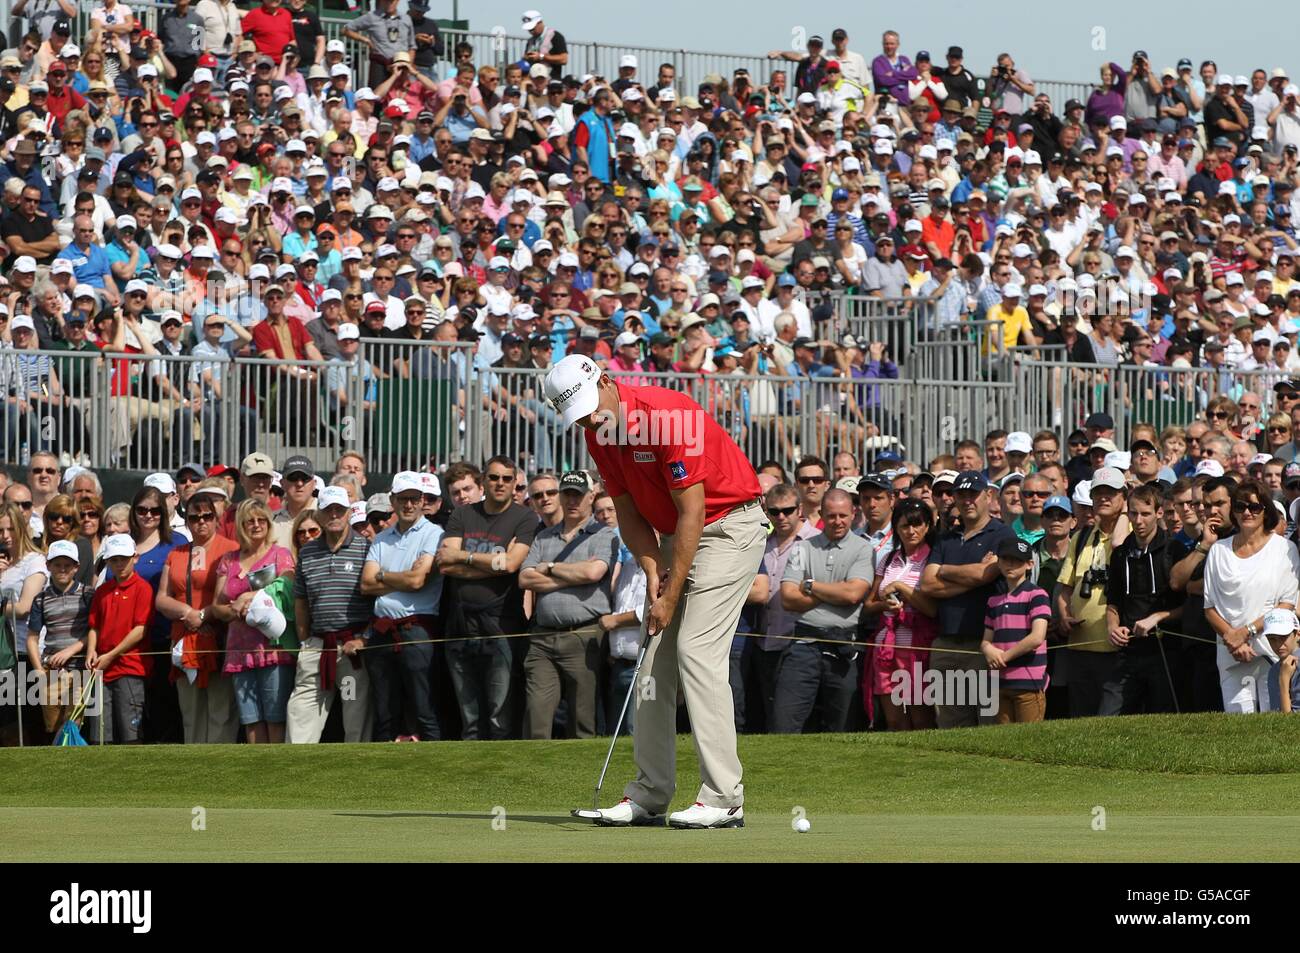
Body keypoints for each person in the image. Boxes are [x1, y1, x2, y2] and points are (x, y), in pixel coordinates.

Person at [546, 353, 767, 829]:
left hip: (729, 528)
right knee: (650, 665)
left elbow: (694, 511)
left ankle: (724, 797)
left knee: (696, 650)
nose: (589, 419)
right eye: (578, 414)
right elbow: (627, 511)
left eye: (589, 406)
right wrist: (651, 571)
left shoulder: (669, 415)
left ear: (606, 380)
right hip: (675, 538)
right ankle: (649, 795)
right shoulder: (596, 432)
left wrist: (670, 591)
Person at [435, 456, 535, 740]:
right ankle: (469, 777)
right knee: (470, 717)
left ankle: (499, 775)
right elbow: (445, 565)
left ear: (515, 482)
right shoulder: (462, 515)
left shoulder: (524, 517)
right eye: (493, 478)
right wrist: (494, 563)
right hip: (460, 624)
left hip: (502, 624)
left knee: (499, 714)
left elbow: (512, 565)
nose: (500, 483)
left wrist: (465, 557)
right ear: (484, 482)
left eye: (506, 478)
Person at [773, 488, 874, 733]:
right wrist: (834, 592)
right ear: (822, 514)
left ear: (853, 514)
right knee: (783, 722)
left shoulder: (864, 549)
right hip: (804, 643)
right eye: (831, 516)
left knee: (843, 726)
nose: (837, 521)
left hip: (844, 645)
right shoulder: (803, 548)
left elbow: (853, 595)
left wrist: (810, 585)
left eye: (842, 515)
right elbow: (787, 598)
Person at [919, 470, 1015, 727]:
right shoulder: (945, 539)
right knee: (950, 725)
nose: (967, 500)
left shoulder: (1002, 534)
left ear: (988, 495)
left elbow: (987, 574)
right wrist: (974, 577)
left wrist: (946, 570)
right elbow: (927, 584)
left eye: (973, 494)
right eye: (961, 494)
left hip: (984, 645)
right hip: (946, 644)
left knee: (988, 723)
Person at [1204, 478, 1300, 713]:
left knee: (1274, 718)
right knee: (1237, 721)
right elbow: (1210, 606)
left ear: (1265, 510)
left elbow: (1286, 603)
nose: (1247, 512)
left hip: (1273, 650)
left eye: (1254, 507)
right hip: (1231, 652)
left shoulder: (1284, 549)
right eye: (1240, 507)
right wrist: (1232, 638)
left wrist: (1245, 632)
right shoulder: (1218, 550)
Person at [360, 474, 444, 742]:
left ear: (422, 501)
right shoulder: (382, 538)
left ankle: (438, 770)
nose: (408, 505)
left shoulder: (435, 533)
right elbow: (365, 584)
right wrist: (402, 578)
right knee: (384, 711)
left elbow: (417, 580)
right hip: (382, 629)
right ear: (393, 501)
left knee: (424, 707)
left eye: (414, 499)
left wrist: (383, 575)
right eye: (403, 499)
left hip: (416, 628)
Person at [288, 486, 374, 744]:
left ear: (348, 512)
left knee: (354, 719)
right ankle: (294, 773)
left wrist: (365, 639)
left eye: (340, 509)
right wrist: (305, 640)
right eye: (329, 510)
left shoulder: (366, 549)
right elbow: (301, 601)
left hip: (352, 648)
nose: (334, 515)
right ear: (321, 515)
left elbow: (379, 600)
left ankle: (353, 777)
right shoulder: (308, 552)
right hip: (317, 647)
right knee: (301, 716)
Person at [154, 490, 240, 743]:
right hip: (185, 639)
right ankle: (194, 766)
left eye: (207, 516)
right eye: (194, 518)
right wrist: (188, 613)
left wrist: (204, 615)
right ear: (187, 520)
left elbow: (233, 594)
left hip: (219, 638)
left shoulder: (231, 549)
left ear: (216, 518)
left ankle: (219, 767)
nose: (201, 522)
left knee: (220, 710)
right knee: (191, 712)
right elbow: (161, 598)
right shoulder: (176, 553)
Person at [210, 498, 296, 743]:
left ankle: (277, 773)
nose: (256, 525)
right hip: (239, 649)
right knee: (251, 720)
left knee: (275, 718)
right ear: (240, 525)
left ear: (269, 524)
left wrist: (252, 596)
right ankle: (256, 772)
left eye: (261, 520)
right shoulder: (229, 560)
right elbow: (217, 606)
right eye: (250, 521)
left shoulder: (281, 555)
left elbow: (288, 588)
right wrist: (235, 611)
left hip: (273, 648)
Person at [1054, 466, 1130, 717]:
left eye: (1111, 492)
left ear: (1124, 497)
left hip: (1115, 648)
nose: (1103, 498)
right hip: (1080, 646)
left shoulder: (1131, 532)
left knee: (1108, 719)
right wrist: (1064, 617)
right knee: (1080, 718)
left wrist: (1127, 515)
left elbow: (1119, 543)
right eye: (1098, 493)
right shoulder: (1082, 536)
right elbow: (1066, 588)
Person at [863, 498, 938, 730]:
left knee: (920, 718)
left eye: (917, 525)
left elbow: (932, 609)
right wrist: (885, 603)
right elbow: (869, 603)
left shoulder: (933, 558)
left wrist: (903, 588)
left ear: (927, 526)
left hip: (917, 648)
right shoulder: (888, 560)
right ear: (896, 527)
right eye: (905, 525)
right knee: (894, 720)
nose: (911, 531)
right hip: (886, 646)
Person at [1105, 484, 1181, 714]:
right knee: (1108, 715)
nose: (1139, 520)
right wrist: (1111, 626)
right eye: (1133, 513)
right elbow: (1113, 601)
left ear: (1159, 513)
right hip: (1127, 651)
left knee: (1162, 717)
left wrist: (1157, 618)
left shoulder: (1173, 549)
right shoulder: (1121, 552)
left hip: (1165, 649)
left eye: (1145, 514)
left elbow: (1188, 606)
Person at [86, 534, 153, 744]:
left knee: (130, 733)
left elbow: (140, 629)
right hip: (101, 668)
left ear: (135, 557)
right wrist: (91, 652)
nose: (119, 564)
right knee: (100, 733)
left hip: (130, 667)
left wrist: (110, 655)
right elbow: (94, 626)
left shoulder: (143, 588)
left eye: (124, 558)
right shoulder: (103, 591)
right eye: (114, 560)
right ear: (107, 562)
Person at [982, 537, 1051, 723]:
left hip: (1028, 682)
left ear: (1029, 564)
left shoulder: (1037, 595)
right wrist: (988, 650)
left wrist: (1004, 657)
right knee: (1005, 740)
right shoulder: (993, 601)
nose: (1010, 564)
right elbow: (986, 639)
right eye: (1005, 559)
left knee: (1030, 740)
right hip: (999, 682)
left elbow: (1037, 637)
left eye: (1017, 560)